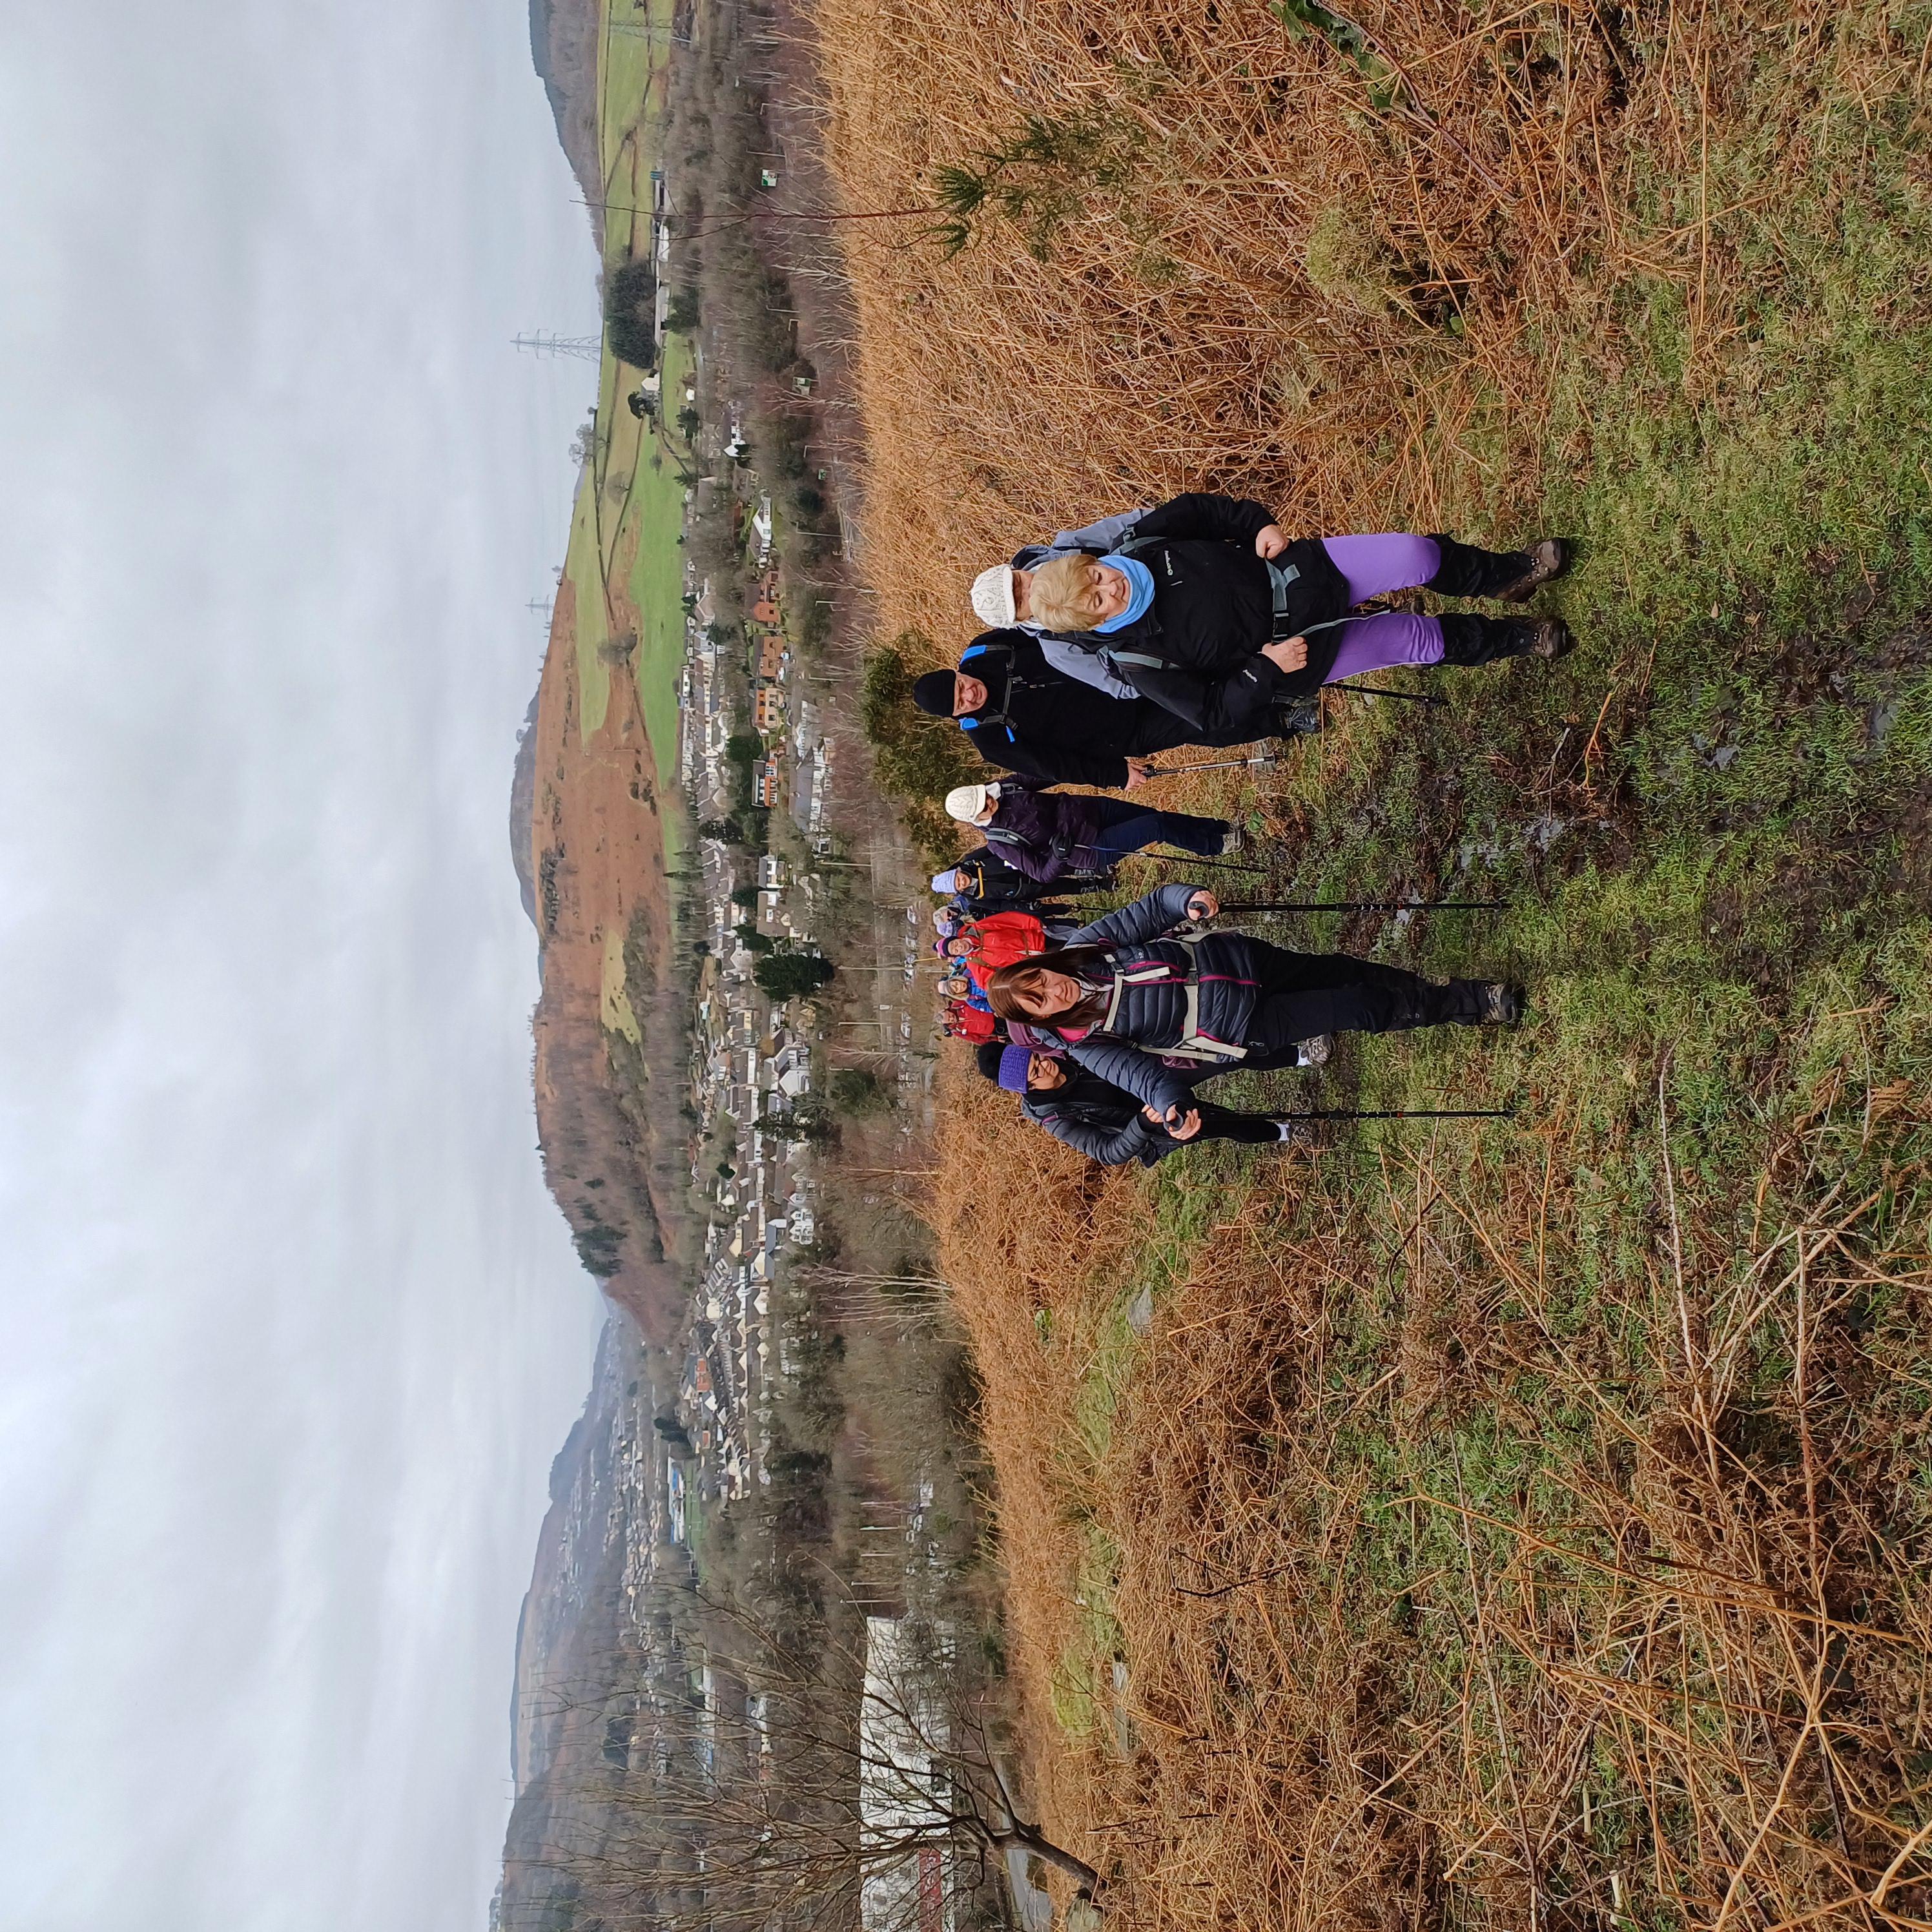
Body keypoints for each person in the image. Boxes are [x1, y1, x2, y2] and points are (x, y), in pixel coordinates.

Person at [987, 493, 1572, 738]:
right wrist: (1264, 673)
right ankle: (1517, 639)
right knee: (1416, 639)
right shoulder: (1138, 661)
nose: (1109, 584)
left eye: (1094, 572)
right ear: (1088, 627)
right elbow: (1211, 713)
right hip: (1299, 649)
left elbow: (1205, 510)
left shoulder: (1139, 541)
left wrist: (1257, 525)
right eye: (1096, 600)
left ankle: (1510, 575)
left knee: (1416, 554)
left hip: (1300, 570)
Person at [982, 881, 1520, 1128]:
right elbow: (1146, 1079)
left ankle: (1427, 993)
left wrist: (1183, 900)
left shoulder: (1087, 950)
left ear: (1043, 966)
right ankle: (1475, 1003)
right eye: (1041, 1002)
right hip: (1248, 1025)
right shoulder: (1087, 1044)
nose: (1055, 991)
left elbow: (1148, 911)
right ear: (1042, 1019)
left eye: (1041, 980)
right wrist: (1172, 1109)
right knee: (1359, 1009)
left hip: (1241, 962)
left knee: (1344, 972)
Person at [910, 628, 1320, 790]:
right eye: (961, 704)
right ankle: (1283, 718)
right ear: (956, 717)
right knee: (1197, 723)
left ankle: (1279, 677)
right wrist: (1114, 774)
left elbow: (1045, 628)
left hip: (1122, 674)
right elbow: (1056, 766)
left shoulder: (986, 650)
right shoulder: (990, 740)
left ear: (957, 671)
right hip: (1121, 733)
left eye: (962, 686)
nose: (970, 695)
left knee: (1200, 680)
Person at [981, 1043, 1305, 1166]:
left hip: (1153, 1071)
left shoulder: (1066, 1053)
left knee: (1224, 1055)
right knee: (1220, 1123)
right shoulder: (1056, 1117)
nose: (1046, 1066)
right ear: (1026, 1088)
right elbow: (1106, 1153)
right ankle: (1284, 1132)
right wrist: (1143, 1126)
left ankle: (1301, 1055)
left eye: (1037, 1059)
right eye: (1036, 1073)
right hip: (1153, 1122)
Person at [943, 778, 1234, 883]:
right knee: (1155, 827)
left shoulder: (1006, 787)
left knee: (1157, 817)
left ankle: (1216, 828)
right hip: (1090, 847)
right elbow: (1041, 874)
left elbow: (1045, 772)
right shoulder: (998, 842)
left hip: (1092, 810)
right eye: (984, 806)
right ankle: (1216, 846)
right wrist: (1059, 855)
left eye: (986, 796)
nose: (990, 802)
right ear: (975, 818)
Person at [933, 850, 1098, 918]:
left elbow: (994, 849)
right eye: (958, 885)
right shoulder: (974, 898)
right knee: (1063, 887)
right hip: (1026, 890)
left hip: (1025, 866)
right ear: (958, 890)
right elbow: (1001, 905)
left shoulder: (971, 861)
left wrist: (1018, 852)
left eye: (958, 878)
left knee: (1062, 868)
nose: (962, 881)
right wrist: (1026, 908)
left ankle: (1095, 868)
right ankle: (1096, 885)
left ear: (957, 872)